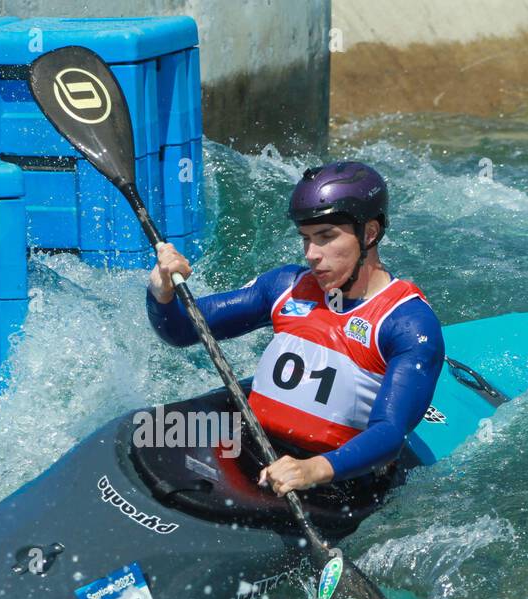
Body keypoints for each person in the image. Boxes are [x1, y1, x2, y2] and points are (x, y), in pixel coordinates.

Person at [145, 161, 445, 498]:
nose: (312, 255)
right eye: (305, 239)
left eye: (327, 237)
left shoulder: (408, 323)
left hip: (335, 483)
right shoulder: (285, 286)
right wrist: (162, 292)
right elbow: (182, 331)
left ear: (370, 233)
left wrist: (312, 470)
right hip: (254, 452)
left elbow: (390, 432)